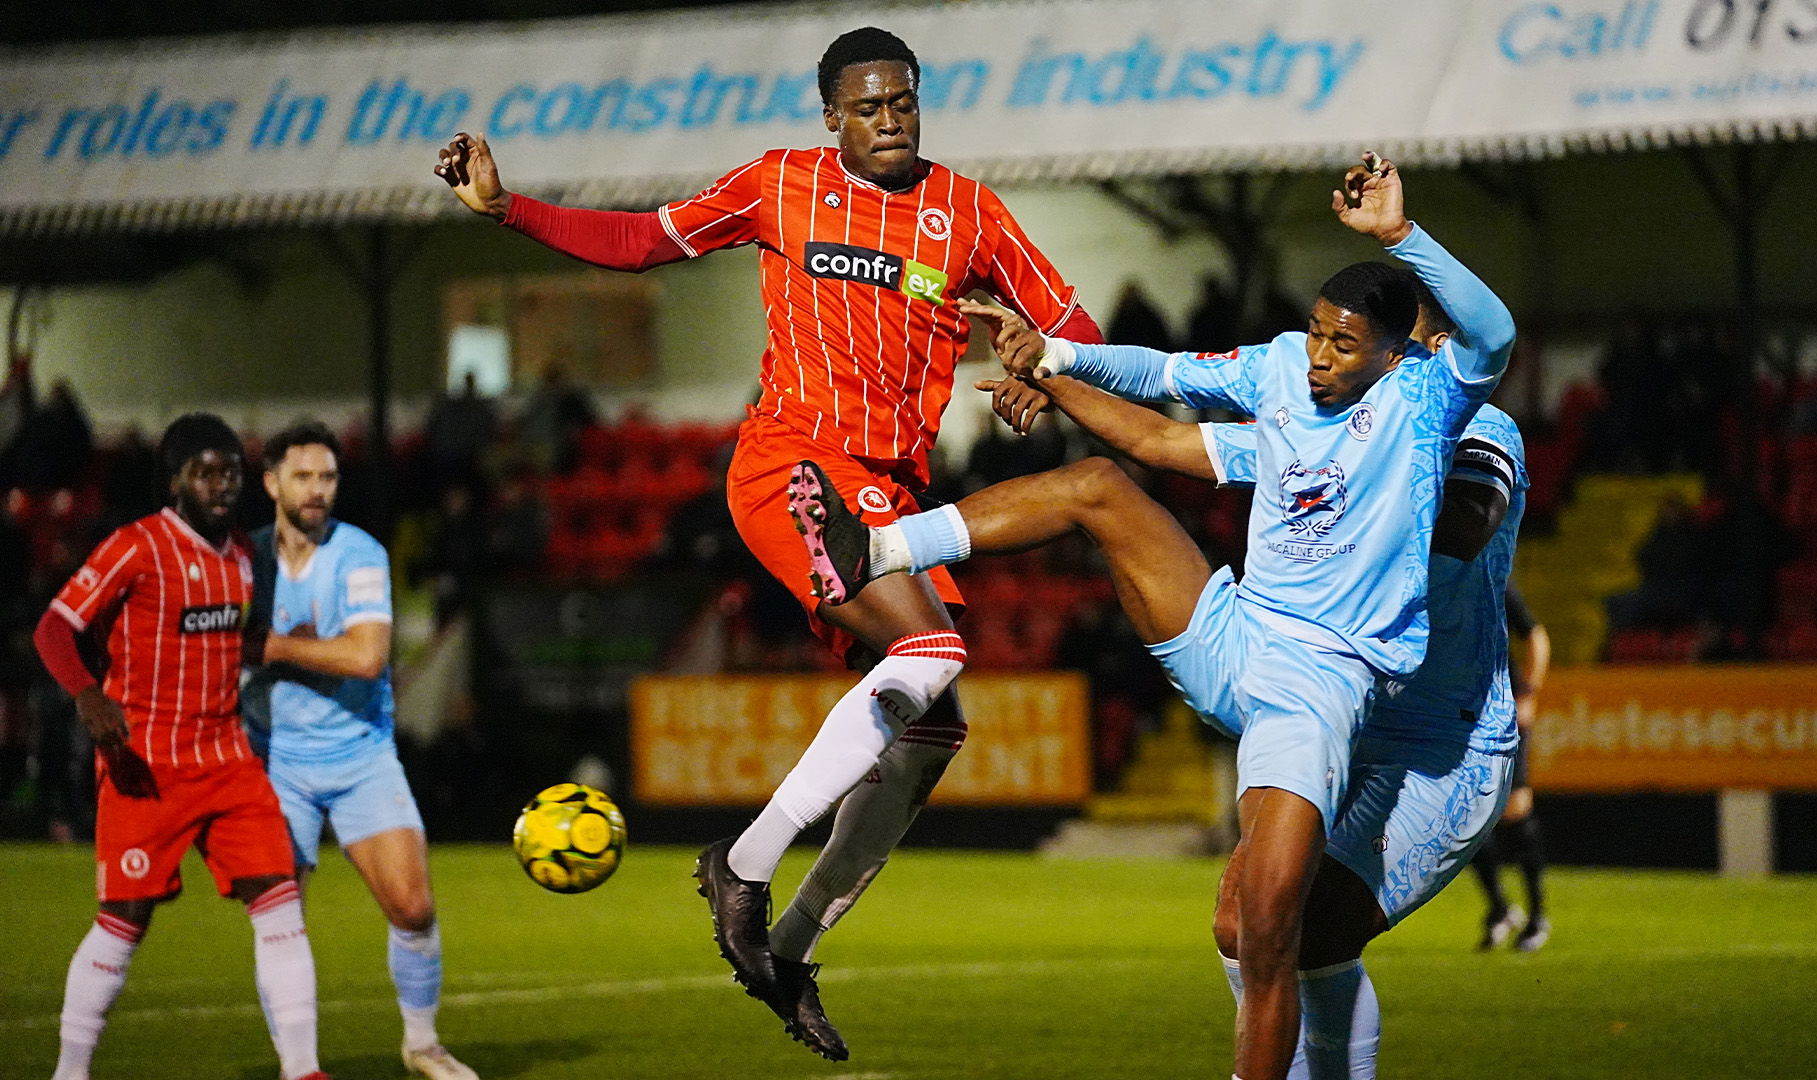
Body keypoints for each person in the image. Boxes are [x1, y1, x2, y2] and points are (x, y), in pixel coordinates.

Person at [434, 26, 1103, 1060]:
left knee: (933, 734)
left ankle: (788, 948)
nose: (892, 120)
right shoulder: (777, 185)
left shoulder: (972, 212)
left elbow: (1080, 332)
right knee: (932, 654)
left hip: (894, 493)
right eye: (870, 106)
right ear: (831, 114)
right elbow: (642, 239)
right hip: (794, 463)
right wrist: (508, 208)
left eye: (906, 102)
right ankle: (744, 864)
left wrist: (1040, 366)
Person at [791, 155, 1513, 1078]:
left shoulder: (1434, 407)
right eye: (1317, 335)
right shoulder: (1286, 379)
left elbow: (1490, 355)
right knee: (1098, 487)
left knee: (1262, 929)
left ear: (1402, 350)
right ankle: (879, 547)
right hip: (1238, 635)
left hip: (1326, 690)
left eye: (1343, 344)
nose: (1321, 355)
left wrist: (1397, 238)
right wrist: (1049, 358)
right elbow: (1162, 396)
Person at [31, 413, 326, 1080]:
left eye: (232, 472)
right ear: (176, 482)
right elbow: (53, 628)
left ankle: (303, 1069)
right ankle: (69, 1073)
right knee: (123, 922)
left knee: (279, 902)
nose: (223, 486)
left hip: (227, 759)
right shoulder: (135, 547)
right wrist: (86, 692)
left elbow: (228, 645)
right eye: (207, 473)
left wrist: (293, 656)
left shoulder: (247, 558)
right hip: (146, 764)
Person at [241, 422, 477, 1079]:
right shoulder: (242, 560)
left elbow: (367, 656)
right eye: (304, 477)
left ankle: (422, 1043)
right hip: (275, 760)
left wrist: (271, 647)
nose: (318, 490)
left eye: (328, 477)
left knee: (413, 906)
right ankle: (299, 1067)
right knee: (280, 914)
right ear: (271, 483)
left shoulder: (360, 553)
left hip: (359, 755)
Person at [1470, 583, 1552, 953]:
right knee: (1465, 816)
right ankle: (1500, 908)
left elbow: (1535, 635)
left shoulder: (1492, 579)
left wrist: (1529, 693)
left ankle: (1537, 915)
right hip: (1463, 708)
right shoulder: (1432, 582)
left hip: (1504, 706)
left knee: (1515, 809)